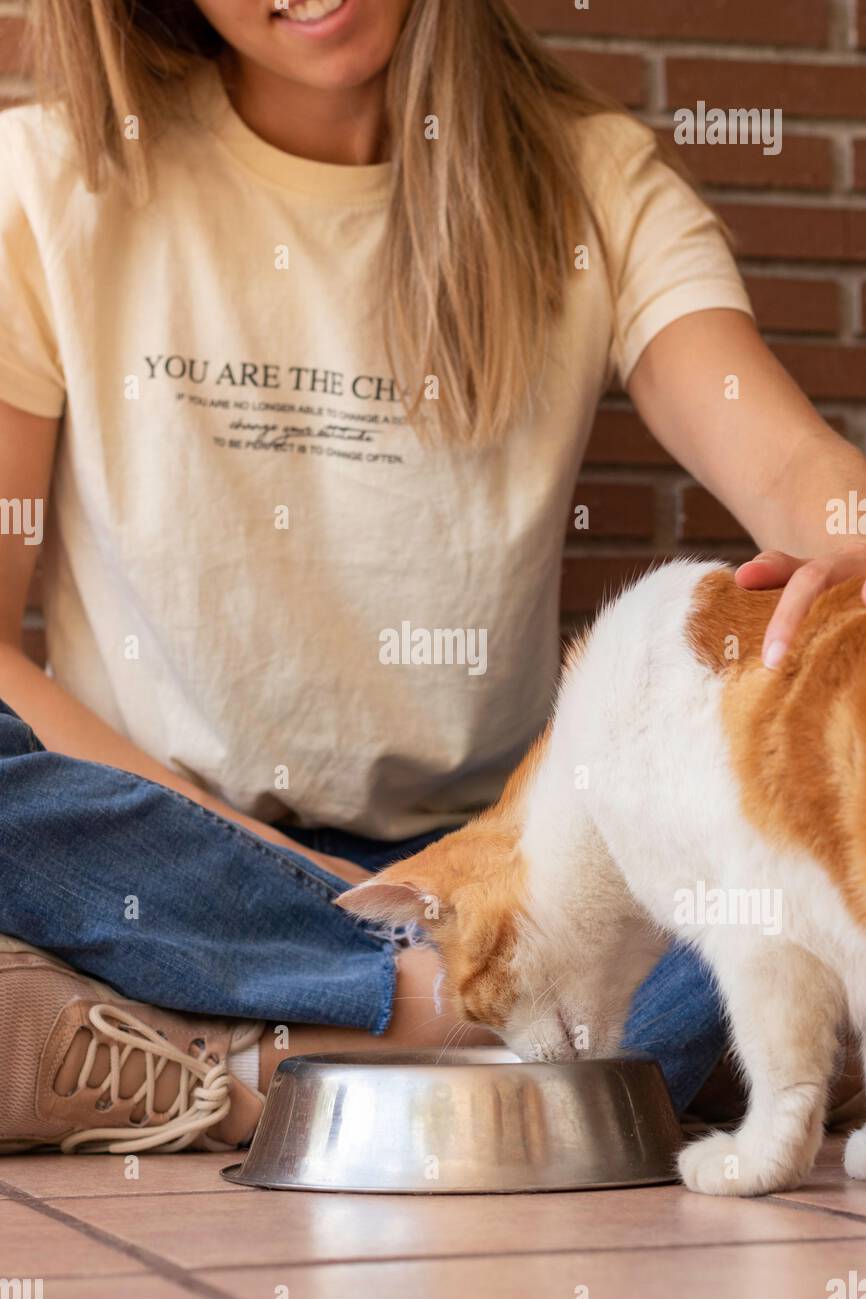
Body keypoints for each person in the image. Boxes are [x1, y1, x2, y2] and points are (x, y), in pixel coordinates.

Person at [1, 0, 864, 1155]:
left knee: (745, 907)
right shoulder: (41, 176)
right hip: (164, 848)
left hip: (491, 876)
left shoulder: (592, 180)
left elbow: (787, 463)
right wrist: (275, 873)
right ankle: (445, 1033)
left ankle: (237, 1053)